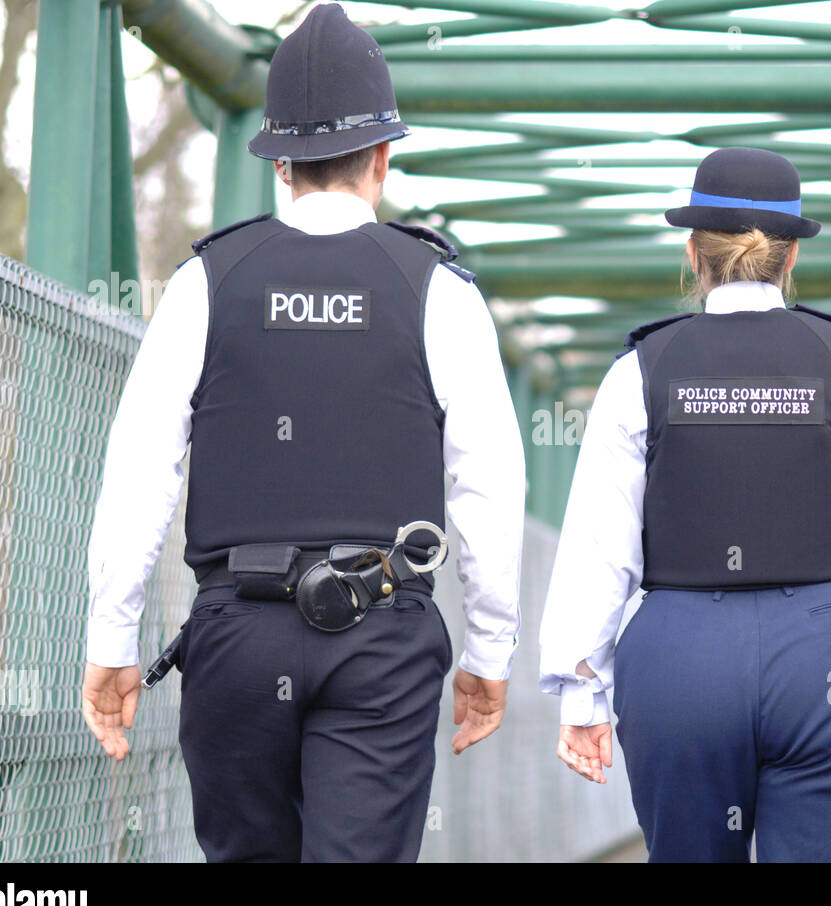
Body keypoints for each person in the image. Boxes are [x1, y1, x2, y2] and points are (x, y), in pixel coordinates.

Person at [80, 3, 524, 862]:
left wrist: (112, 635)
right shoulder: (439, 290)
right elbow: (489, 483)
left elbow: (138, 469)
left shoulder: (207, 282)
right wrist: (490, 648)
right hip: (383, 634)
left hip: (236, 639)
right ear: (384, 155)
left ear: (279, 161)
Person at [538, 147, 831, 862]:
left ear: (692, 252)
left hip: (678, 661)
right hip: (830, 660)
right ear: (790, 256)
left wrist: (582, 691)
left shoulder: (636, 373)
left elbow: (598, 548)